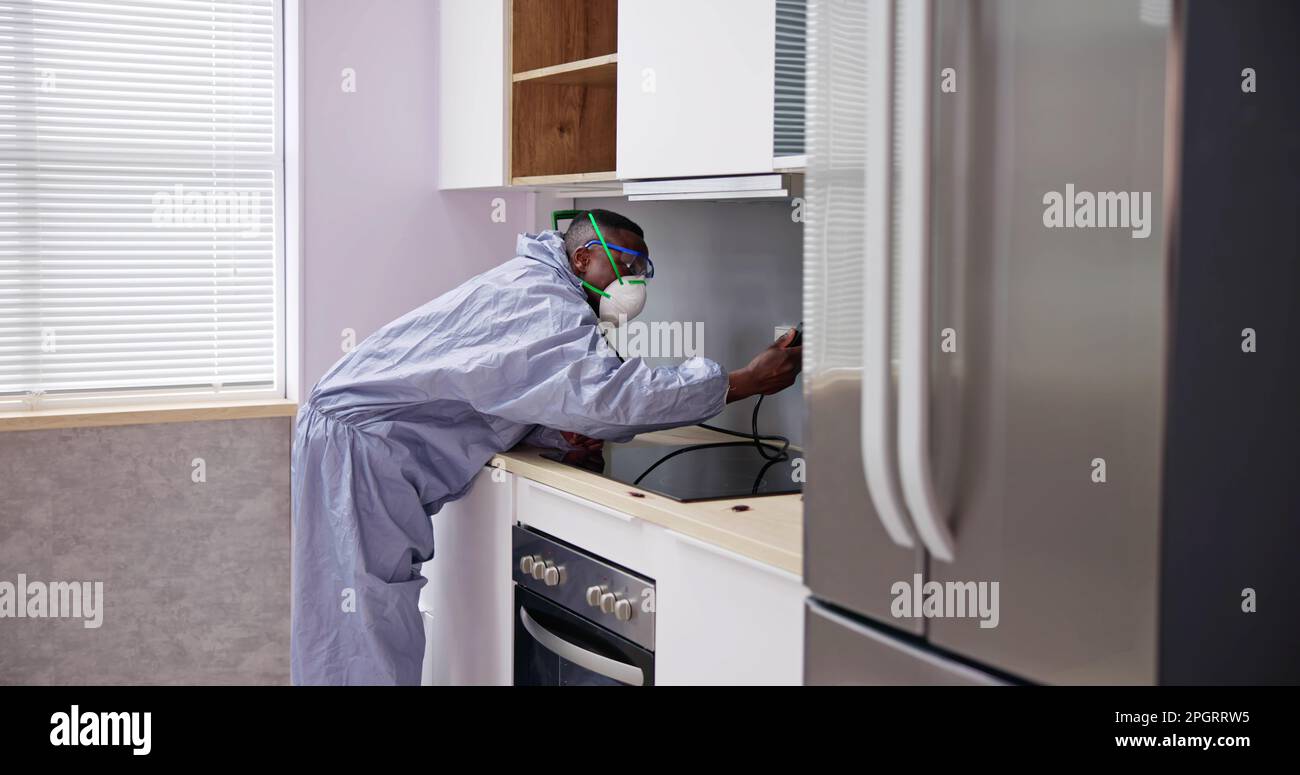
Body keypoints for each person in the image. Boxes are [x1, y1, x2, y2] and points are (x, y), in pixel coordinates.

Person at [290, 209, 801, 684]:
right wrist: (742, 380)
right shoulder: (544, 303)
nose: (634, 282)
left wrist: (557, 430)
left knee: (360, 616)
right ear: (582, 257)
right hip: (362, 446)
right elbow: (608, 397)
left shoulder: (536, 286)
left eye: (644, 270)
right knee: (365, 624)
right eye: (626, 264)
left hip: (357, 440)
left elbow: (505, 385)